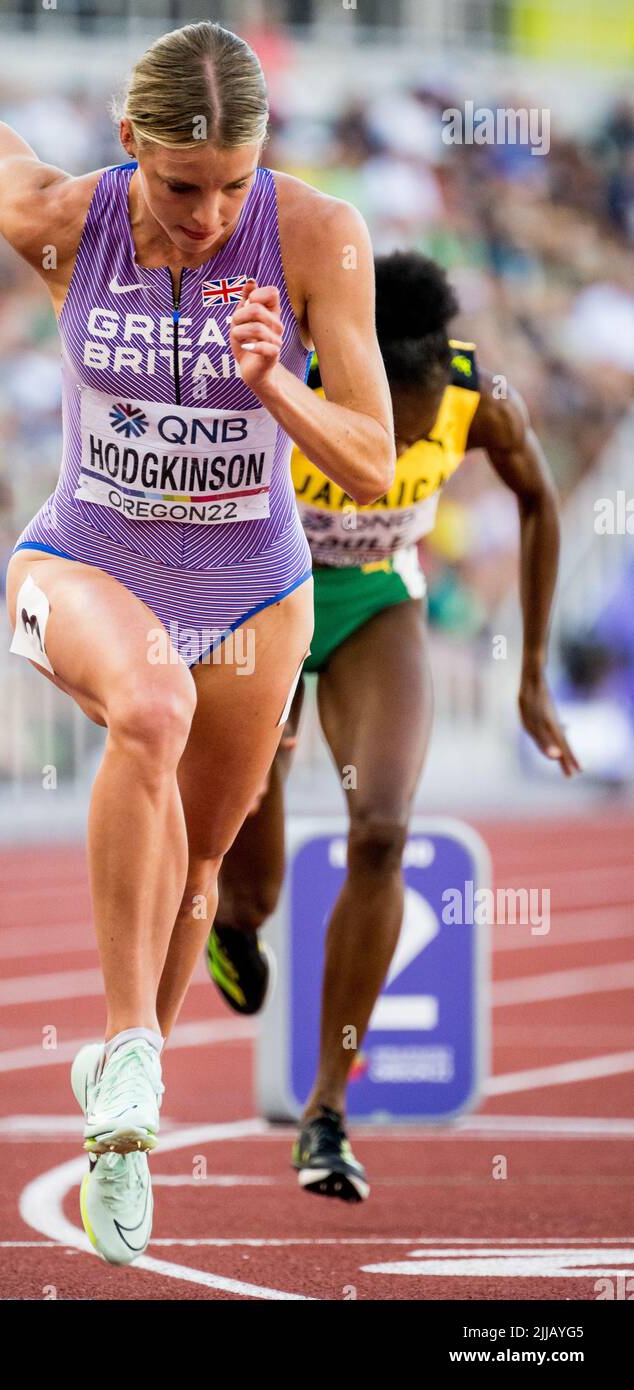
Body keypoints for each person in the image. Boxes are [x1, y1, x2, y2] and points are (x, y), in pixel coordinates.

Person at [0, 22, 395, 1264]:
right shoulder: (57, 217)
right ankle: (131, 1046)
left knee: (199, 870)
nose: (206, 216)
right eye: (181, 186)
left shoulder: (316, 237)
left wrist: (277, 387)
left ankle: (115, 1120)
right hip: (88, 553)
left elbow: (369, 457)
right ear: (127, 139)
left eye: (232, 185)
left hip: (255, 584)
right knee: (148, 707)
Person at [208, 250, 580, 1201]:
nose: (386, 469)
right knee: (250, 849)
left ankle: (326, 1111)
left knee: (381, 831)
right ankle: (237, 926)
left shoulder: (474, 393)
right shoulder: (292, 376)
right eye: (377, 439)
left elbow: (539, 500)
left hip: (378, 601)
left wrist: (532, 675)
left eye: (411, 447)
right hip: (269, 599)